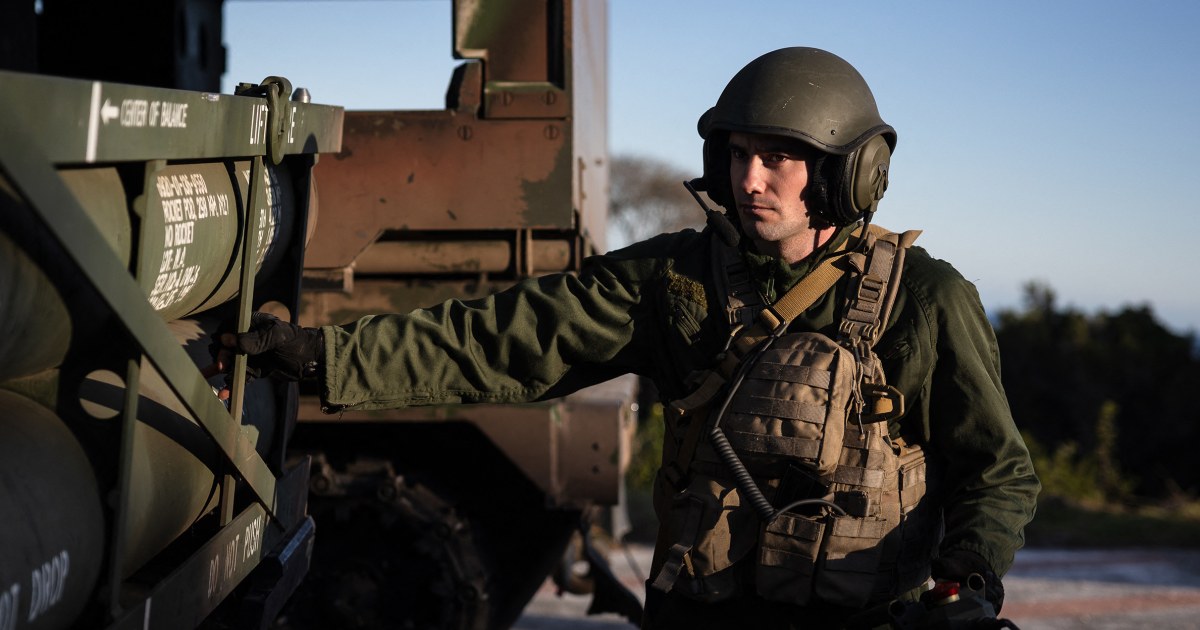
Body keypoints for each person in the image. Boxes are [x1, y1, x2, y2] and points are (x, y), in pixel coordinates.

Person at [213, 47, 1040, 629]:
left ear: (845, 173)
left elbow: (996, 470)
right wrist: (325, 357)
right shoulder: (677, 281)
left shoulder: (925, 301)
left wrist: (967, 579)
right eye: (738, 155)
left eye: (778, 159)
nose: (749, 180)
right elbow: (501, 339)